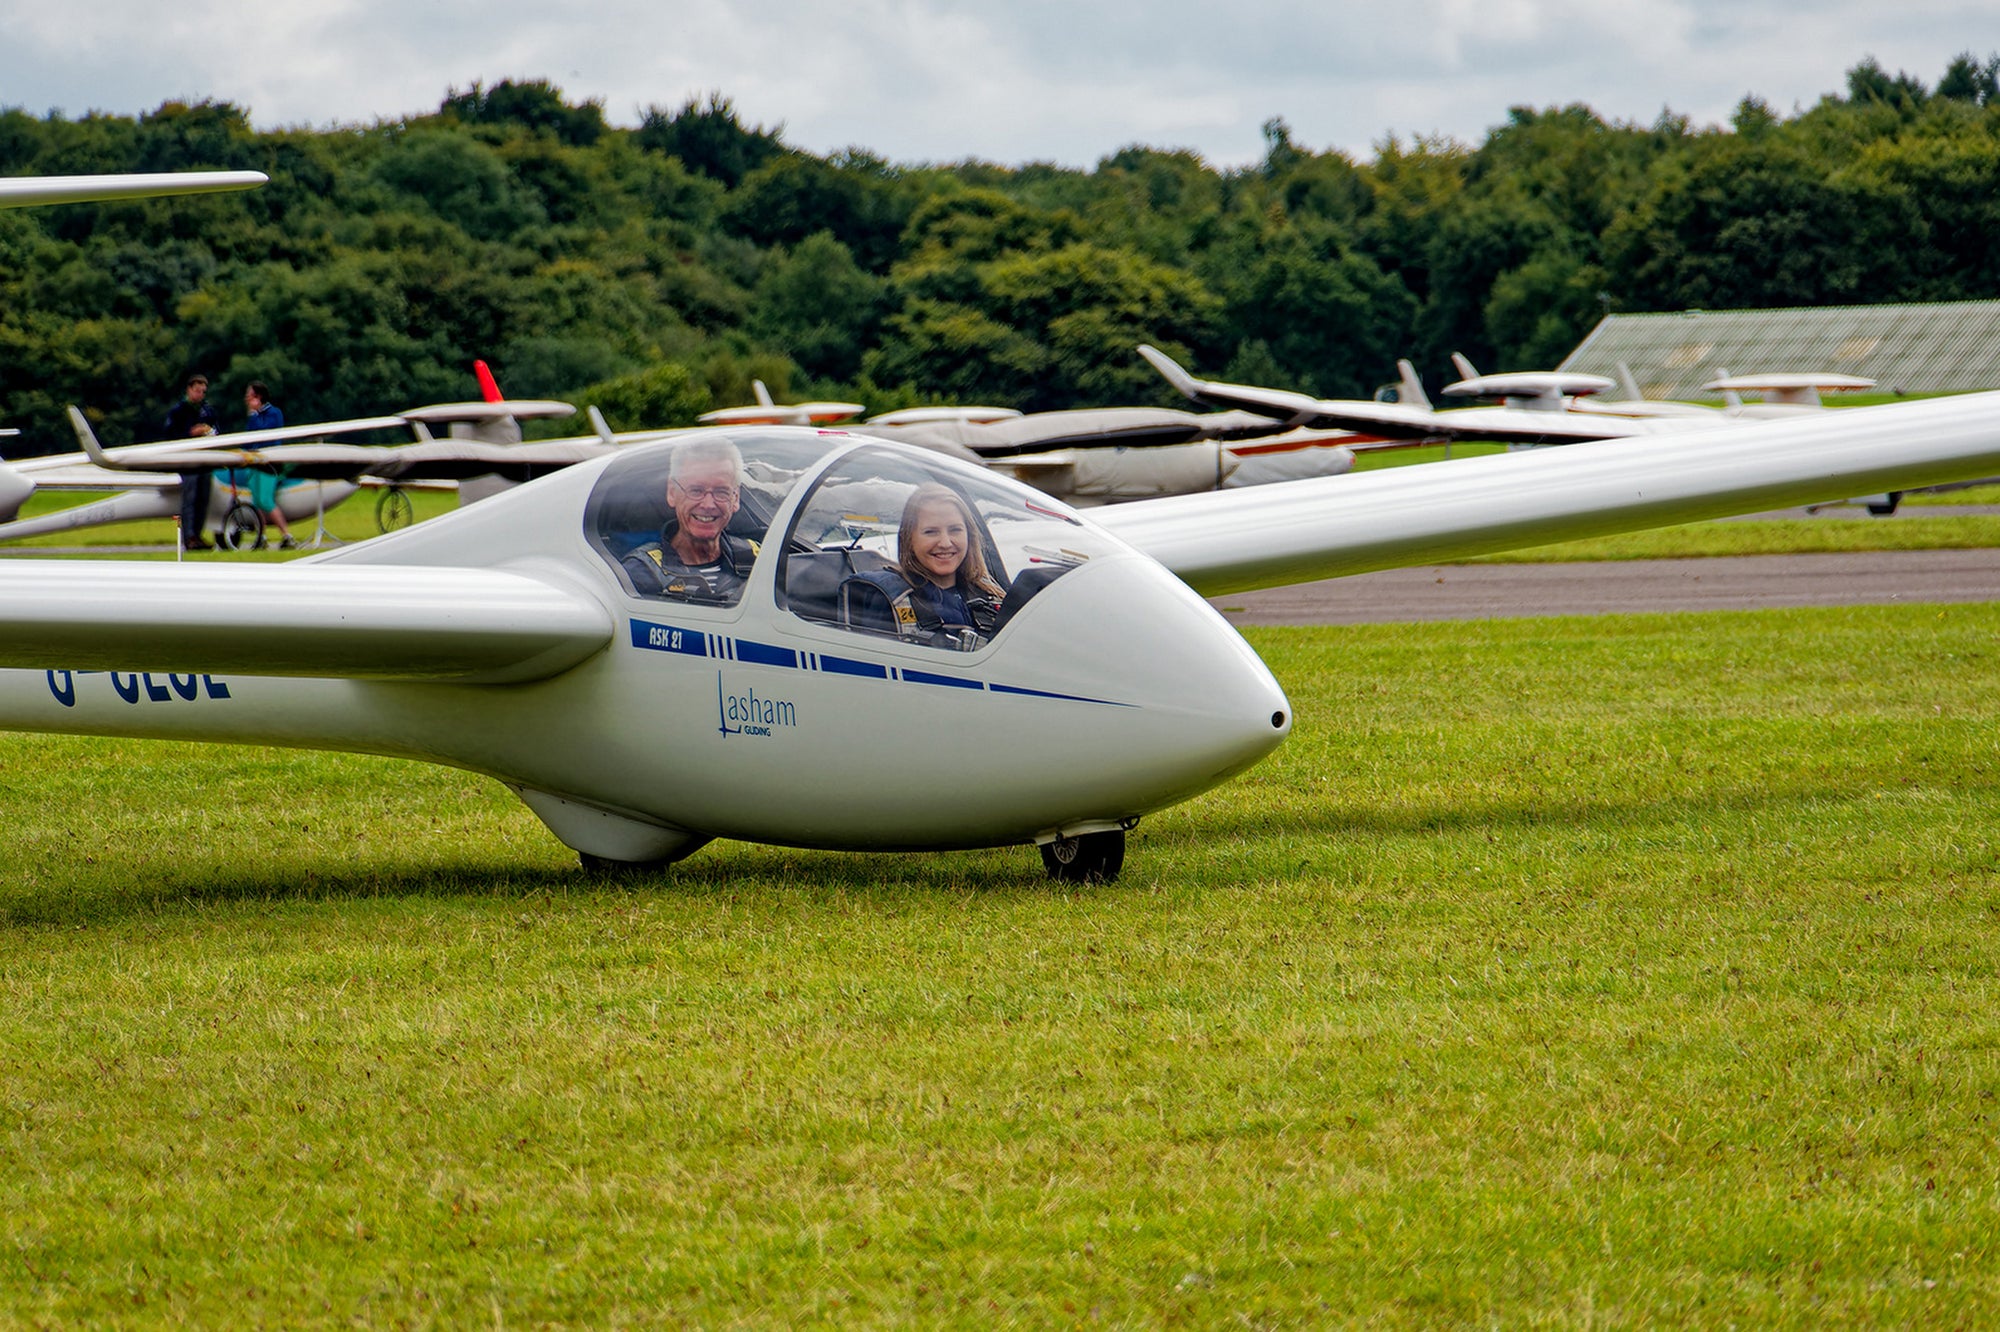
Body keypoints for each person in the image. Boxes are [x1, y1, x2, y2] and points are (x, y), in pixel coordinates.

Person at [848, 483, 1006, 647]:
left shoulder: (989, 593)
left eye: (955, 530)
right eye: (931, 532)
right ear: (909, 538)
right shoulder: (890, 600)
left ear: (969, 535)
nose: (945, 543)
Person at [620, 439, 757, 603]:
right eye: (696, 491)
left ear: (735, 498)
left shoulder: (756, 557)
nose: (708, 504)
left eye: (721, 492)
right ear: (672, 493)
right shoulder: (642, 571)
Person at [163, 373, 219, 551]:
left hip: (205, 461)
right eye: (197, 390)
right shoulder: (178, 411)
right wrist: (190, 433)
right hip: (187, 462)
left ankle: (198, 534)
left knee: (203, 498)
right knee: (190, 498)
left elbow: (217, 430)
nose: (200, 395)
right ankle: (189, 537)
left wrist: (209, 431)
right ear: (189, 390)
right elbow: (170, 435)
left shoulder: (207, 410)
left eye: (203, 391)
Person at [241, 382, 297, 549]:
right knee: (257, 501)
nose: (247, 399)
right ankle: (261, 536)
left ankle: (287, 535)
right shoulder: (254, 416)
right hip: (255, 463)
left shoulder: (274, 413)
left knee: (266, 500)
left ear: (258, 397)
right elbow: (249, 438)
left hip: (268, 463)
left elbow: (265, 434)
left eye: (250, 396)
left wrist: (254, 415)